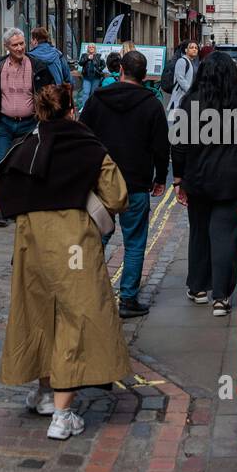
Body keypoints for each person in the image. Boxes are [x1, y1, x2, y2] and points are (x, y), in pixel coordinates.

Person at [0, 82, 131, 439]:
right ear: (72, 110)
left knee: (38, 315)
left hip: (31, 247)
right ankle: (62, 414)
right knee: (76, 318)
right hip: (74, 246)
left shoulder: (26, 146)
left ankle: (43, 394)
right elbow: (117, 197)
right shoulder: (88, 146)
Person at [172, 52, 237, 316]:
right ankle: (221, 296)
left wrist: (178, 179)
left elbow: (179, 145)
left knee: (199, 233)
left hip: (198, 177)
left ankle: (197, 288)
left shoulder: (190, 101)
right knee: (226, 236)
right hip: (233, 178)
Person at [80, 49, 170, 317]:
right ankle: (128, 299)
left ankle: (89, 293)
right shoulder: (152, 104)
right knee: (134, 242)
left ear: (120, 70)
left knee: (97, 239)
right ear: (144, 75)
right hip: (136, 182)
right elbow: (161, 147)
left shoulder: (97, 98)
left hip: (102, 182)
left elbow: (83, 134)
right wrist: (160, 178)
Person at [0, 28, 55, 226]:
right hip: (4, 124)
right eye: (15, 45)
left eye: (22, 43)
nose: (20, 48)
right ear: (7, 47)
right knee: (2, 163)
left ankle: (24, 205)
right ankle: (3, 209)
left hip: (30, 124)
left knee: (25, 166)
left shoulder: (38, 66)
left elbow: (50, 93)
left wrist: (47, 121)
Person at [165, 40, 199, 118]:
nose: (194, 49)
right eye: (191, 47)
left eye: (196, 48)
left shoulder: (193, 62)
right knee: (174, 122)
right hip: (180, 96)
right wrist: (191, 90)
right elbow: (180, 78)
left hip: (189, 97)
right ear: (186, 50)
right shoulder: (182, 61)